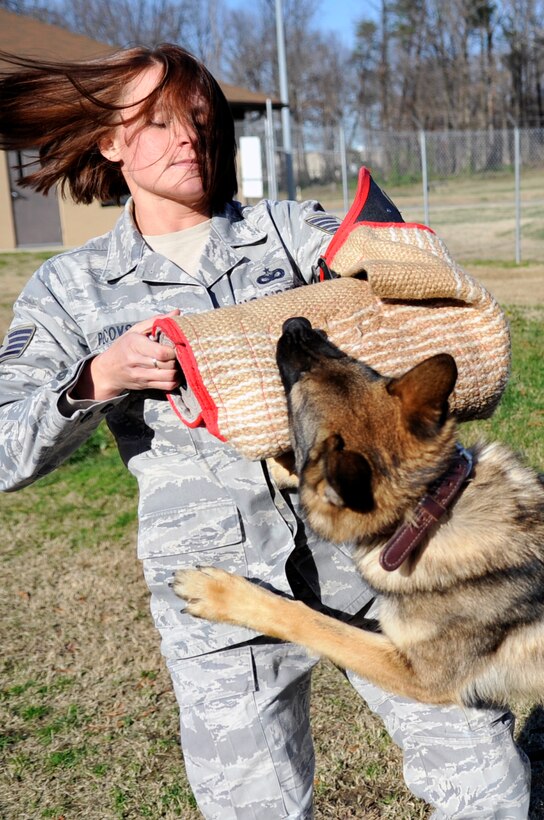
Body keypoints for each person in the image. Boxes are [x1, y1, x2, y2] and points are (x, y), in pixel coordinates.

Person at [0, 44, 531, 819]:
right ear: (111, 142)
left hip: (375, 565)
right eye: (156, 121)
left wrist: (379, 249)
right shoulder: (69, 290)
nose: (189, 136)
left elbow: (402, 266)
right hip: (221, 598)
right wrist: (95, 379)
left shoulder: (287, 232)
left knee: (490, 788)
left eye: (200, 118)